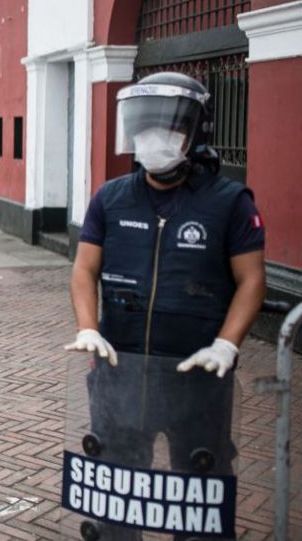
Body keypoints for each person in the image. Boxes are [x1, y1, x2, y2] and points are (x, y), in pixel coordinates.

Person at [64, 72, 265, 532]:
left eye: (168, 126)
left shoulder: (229, 202)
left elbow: (252, 280)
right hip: (121, 370)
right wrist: (88, 327)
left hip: (196, 375)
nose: (153, 138)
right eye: (143, 127)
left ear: (197, 132)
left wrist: (227, 345)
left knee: (199, 491)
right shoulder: (111, 198)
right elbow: (84, 269)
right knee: (118, 492)